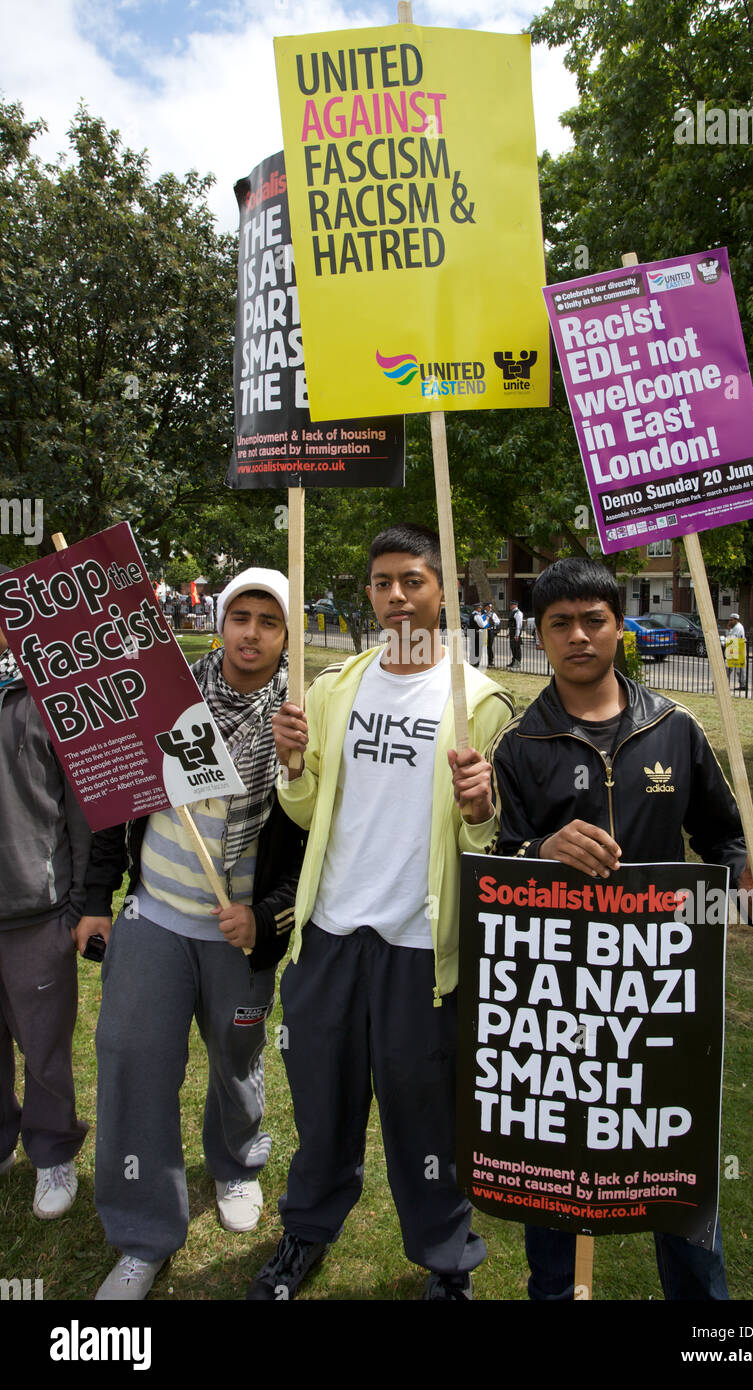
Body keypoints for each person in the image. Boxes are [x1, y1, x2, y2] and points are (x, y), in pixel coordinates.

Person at [488, 558, 753, 1301]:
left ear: (619, 628)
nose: (579, 636)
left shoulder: (675, 728)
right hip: (557, 1003)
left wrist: (747, 891)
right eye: (560, 624)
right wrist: (541, 851)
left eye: (594, 619)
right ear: (540, 635)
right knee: (554, 1181)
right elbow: (498, 868)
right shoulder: (519, 744)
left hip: (665, 994)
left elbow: (722, 842)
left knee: (676, 1182)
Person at [249, 524, 514, 1301]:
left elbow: (489, 834)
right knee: (322, 1104)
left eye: (413, 580)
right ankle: (304, 1235)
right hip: (329, 934)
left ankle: (445, 1260)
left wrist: (482, 808)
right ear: (367, 591)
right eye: (381, 582)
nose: (396, 595)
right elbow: (301, 808)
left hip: (420, 949)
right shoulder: (334, 687)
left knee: (424, 1116)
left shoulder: (483, 703)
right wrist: (292, 763)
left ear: (443, 591)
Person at [77, 568, 306, 1300]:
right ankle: (143, 1234)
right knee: (132, 1058)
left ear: (287, 636)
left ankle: (237, 1163)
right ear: (219, 618)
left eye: (269, 622)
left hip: (239, 936)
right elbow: (115, 798)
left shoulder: (302, 719)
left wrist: (265, 915)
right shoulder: (165, 693)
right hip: (157, 914)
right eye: (239, 615)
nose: (250, 632)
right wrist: (95, 896)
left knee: (237, 1055)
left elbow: (311, 842)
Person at [0, 567, 90, 1218]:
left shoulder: (50, 698)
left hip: (36, 912)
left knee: (46, 1050)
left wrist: (85, 905)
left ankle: (54, 1155)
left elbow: (85, 813)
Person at [725, 612, 747, 692]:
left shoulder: (738, 627)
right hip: (734, 648)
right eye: (729, 620)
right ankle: (724, 682)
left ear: (735, 620)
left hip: (737, 648)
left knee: (739, 668)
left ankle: (743, 684)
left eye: (731, 620)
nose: (730, 621)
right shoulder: (734, 627)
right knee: (729, 666)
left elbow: (732, 637)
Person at [508, 599, 524, 670]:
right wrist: (508, 632)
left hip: (515, 633)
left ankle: (517, 663)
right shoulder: (512, 612)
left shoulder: (518, 613)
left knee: (517, 649)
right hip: (512, 632)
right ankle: (513, 661)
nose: (510, 606)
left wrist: (517, 635)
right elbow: (510, 624)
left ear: (515, 605)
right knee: (513, 648)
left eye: (512, 605)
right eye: (510, 605)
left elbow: (518, 625)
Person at [485, 602, 501, 669]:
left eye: (490, 607)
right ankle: (486, 660)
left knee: (489, 646)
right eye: (488, 607)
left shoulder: (493, 614)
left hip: (490, 632)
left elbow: (497, 622)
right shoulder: (483, 613)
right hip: (484, 632)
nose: (489, 608)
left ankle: (490, 661)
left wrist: (491, 627)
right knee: (484, 647)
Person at [470, 602, 485, 667]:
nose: (480, 609)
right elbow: (482, 625)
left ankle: (472, 661)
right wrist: (486, 620)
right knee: (478, 648)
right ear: (477, 608)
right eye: (480, 608)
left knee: (473, 647)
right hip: (477, 633)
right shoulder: (477, 616)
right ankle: (476, 662)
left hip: (472, 633)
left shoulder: (471, 614)